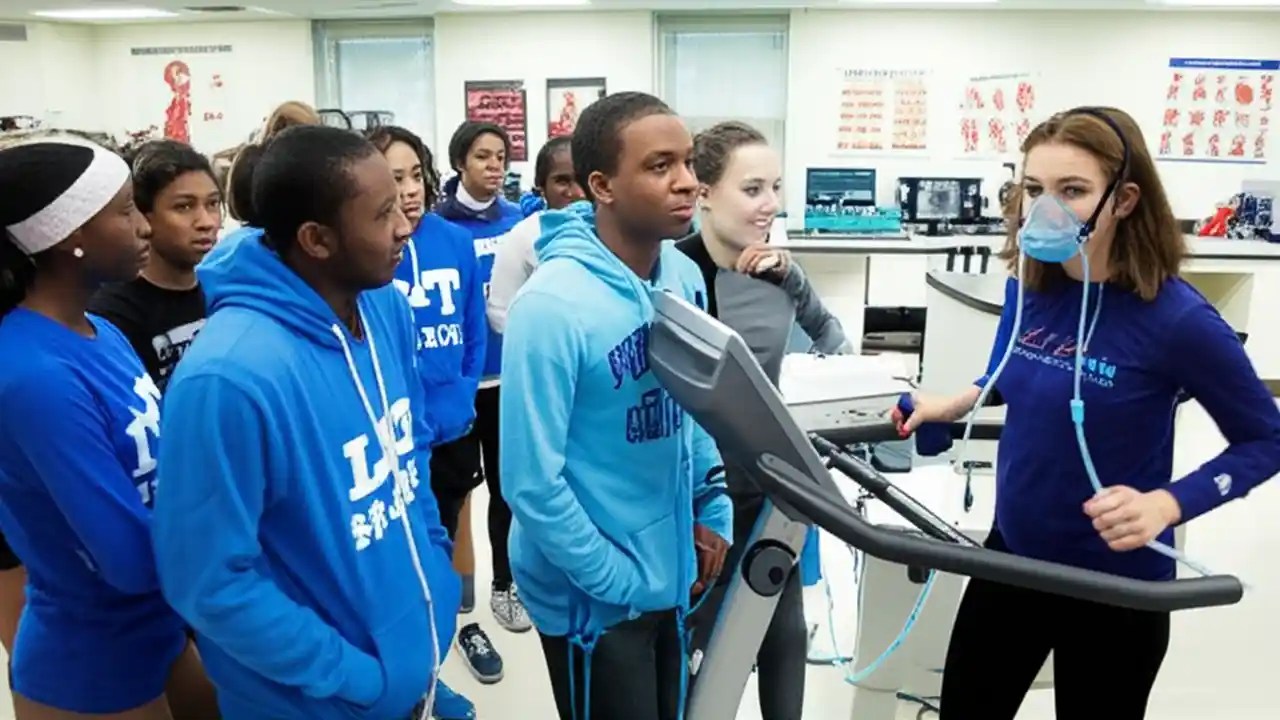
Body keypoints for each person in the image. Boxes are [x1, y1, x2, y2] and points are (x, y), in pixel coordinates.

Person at [898, 107, 1280, 719]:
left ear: (1123, 200)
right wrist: (956, 401)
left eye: (1071, 191)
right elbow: (1005, 375)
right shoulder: (1031, 283)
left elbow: (1266, 440)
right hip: (1014, 554)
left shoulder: (1177, 320)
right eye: (1032, 189)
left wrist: (1168, 504)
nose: (1042, 209)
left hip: (1115, 582)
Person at [151, 125, 460, 720]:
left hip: (408, 668)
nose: (404, 226)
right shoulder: (227, 378)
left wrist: (437, 582)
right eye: (382, 214)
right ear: (317, 239)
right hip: (315, 700)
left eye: (401, 201)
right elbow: (209, 583)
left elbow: (408, 453)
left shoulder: (385, 305)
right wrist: (357, 678)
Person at [499, 91, 733, 720]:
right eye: (660, 167)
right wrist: (618, 582)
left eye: (687, 162)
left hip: (671, 574)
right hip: (595, 599)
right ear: (601, 185)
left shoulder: (681, 277)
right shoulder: (551, 308)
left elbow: (695, 409)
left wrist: (712, 504)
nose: (688, 182)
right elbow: (530, 484)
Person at [0, 138, 213, 719]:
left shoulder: (100, 330)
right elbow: (128, 560)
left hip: (157, 629)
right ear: (66, 235)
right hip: (91, 664)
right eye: (124, 211)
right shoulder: (31, 374)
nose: (145, 226)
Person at [678, 120, 852, 720]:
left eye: (774, 188)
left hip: (775, 489)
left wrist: (795, 281)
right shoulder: (674, 273)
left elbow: (835, 342)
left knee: (784, 639)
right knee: (701, 661)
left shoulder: (778, 272)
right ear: (703, 191)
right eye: (752, 189)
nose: (770, 205)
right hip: (701, 505)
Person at [370, 124, 485, 720]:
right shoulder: (369, 256)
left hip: (452, 430)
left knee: (437, 562)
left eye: (416, 175)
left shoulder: (453, 241)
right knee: (397, 569)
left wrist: (463, 395)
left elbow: (472, 334)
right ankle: (406, 679)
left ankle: (434, 679)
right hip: (395, 442)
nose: (410, 190)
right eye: (395, 178)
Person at [435, 120, 524, 681]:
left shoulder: (519, 221)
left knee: (509, 486)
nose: (494, 166)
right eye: (483, 157)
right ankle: (457, 605)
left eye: (501, 157)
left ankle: (505, 584)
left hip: (510, 376)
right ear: (459, 162)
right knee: (460, 498)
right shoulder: (439, 227)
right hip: (462, 385)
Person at [89, 139, 220, 391]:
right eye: (184, 207)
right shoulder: (113, 315)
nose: (206, 221)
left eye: (212, 204)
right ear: (143, 216)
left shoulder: (224, 291)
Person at [487, 136, 584, 334]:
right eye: (562, 181)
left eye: (582, 180)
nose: (576, 192)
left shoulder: (614, 231)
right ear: (541, 187)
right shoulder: (523, 237)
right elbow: (499, 312)